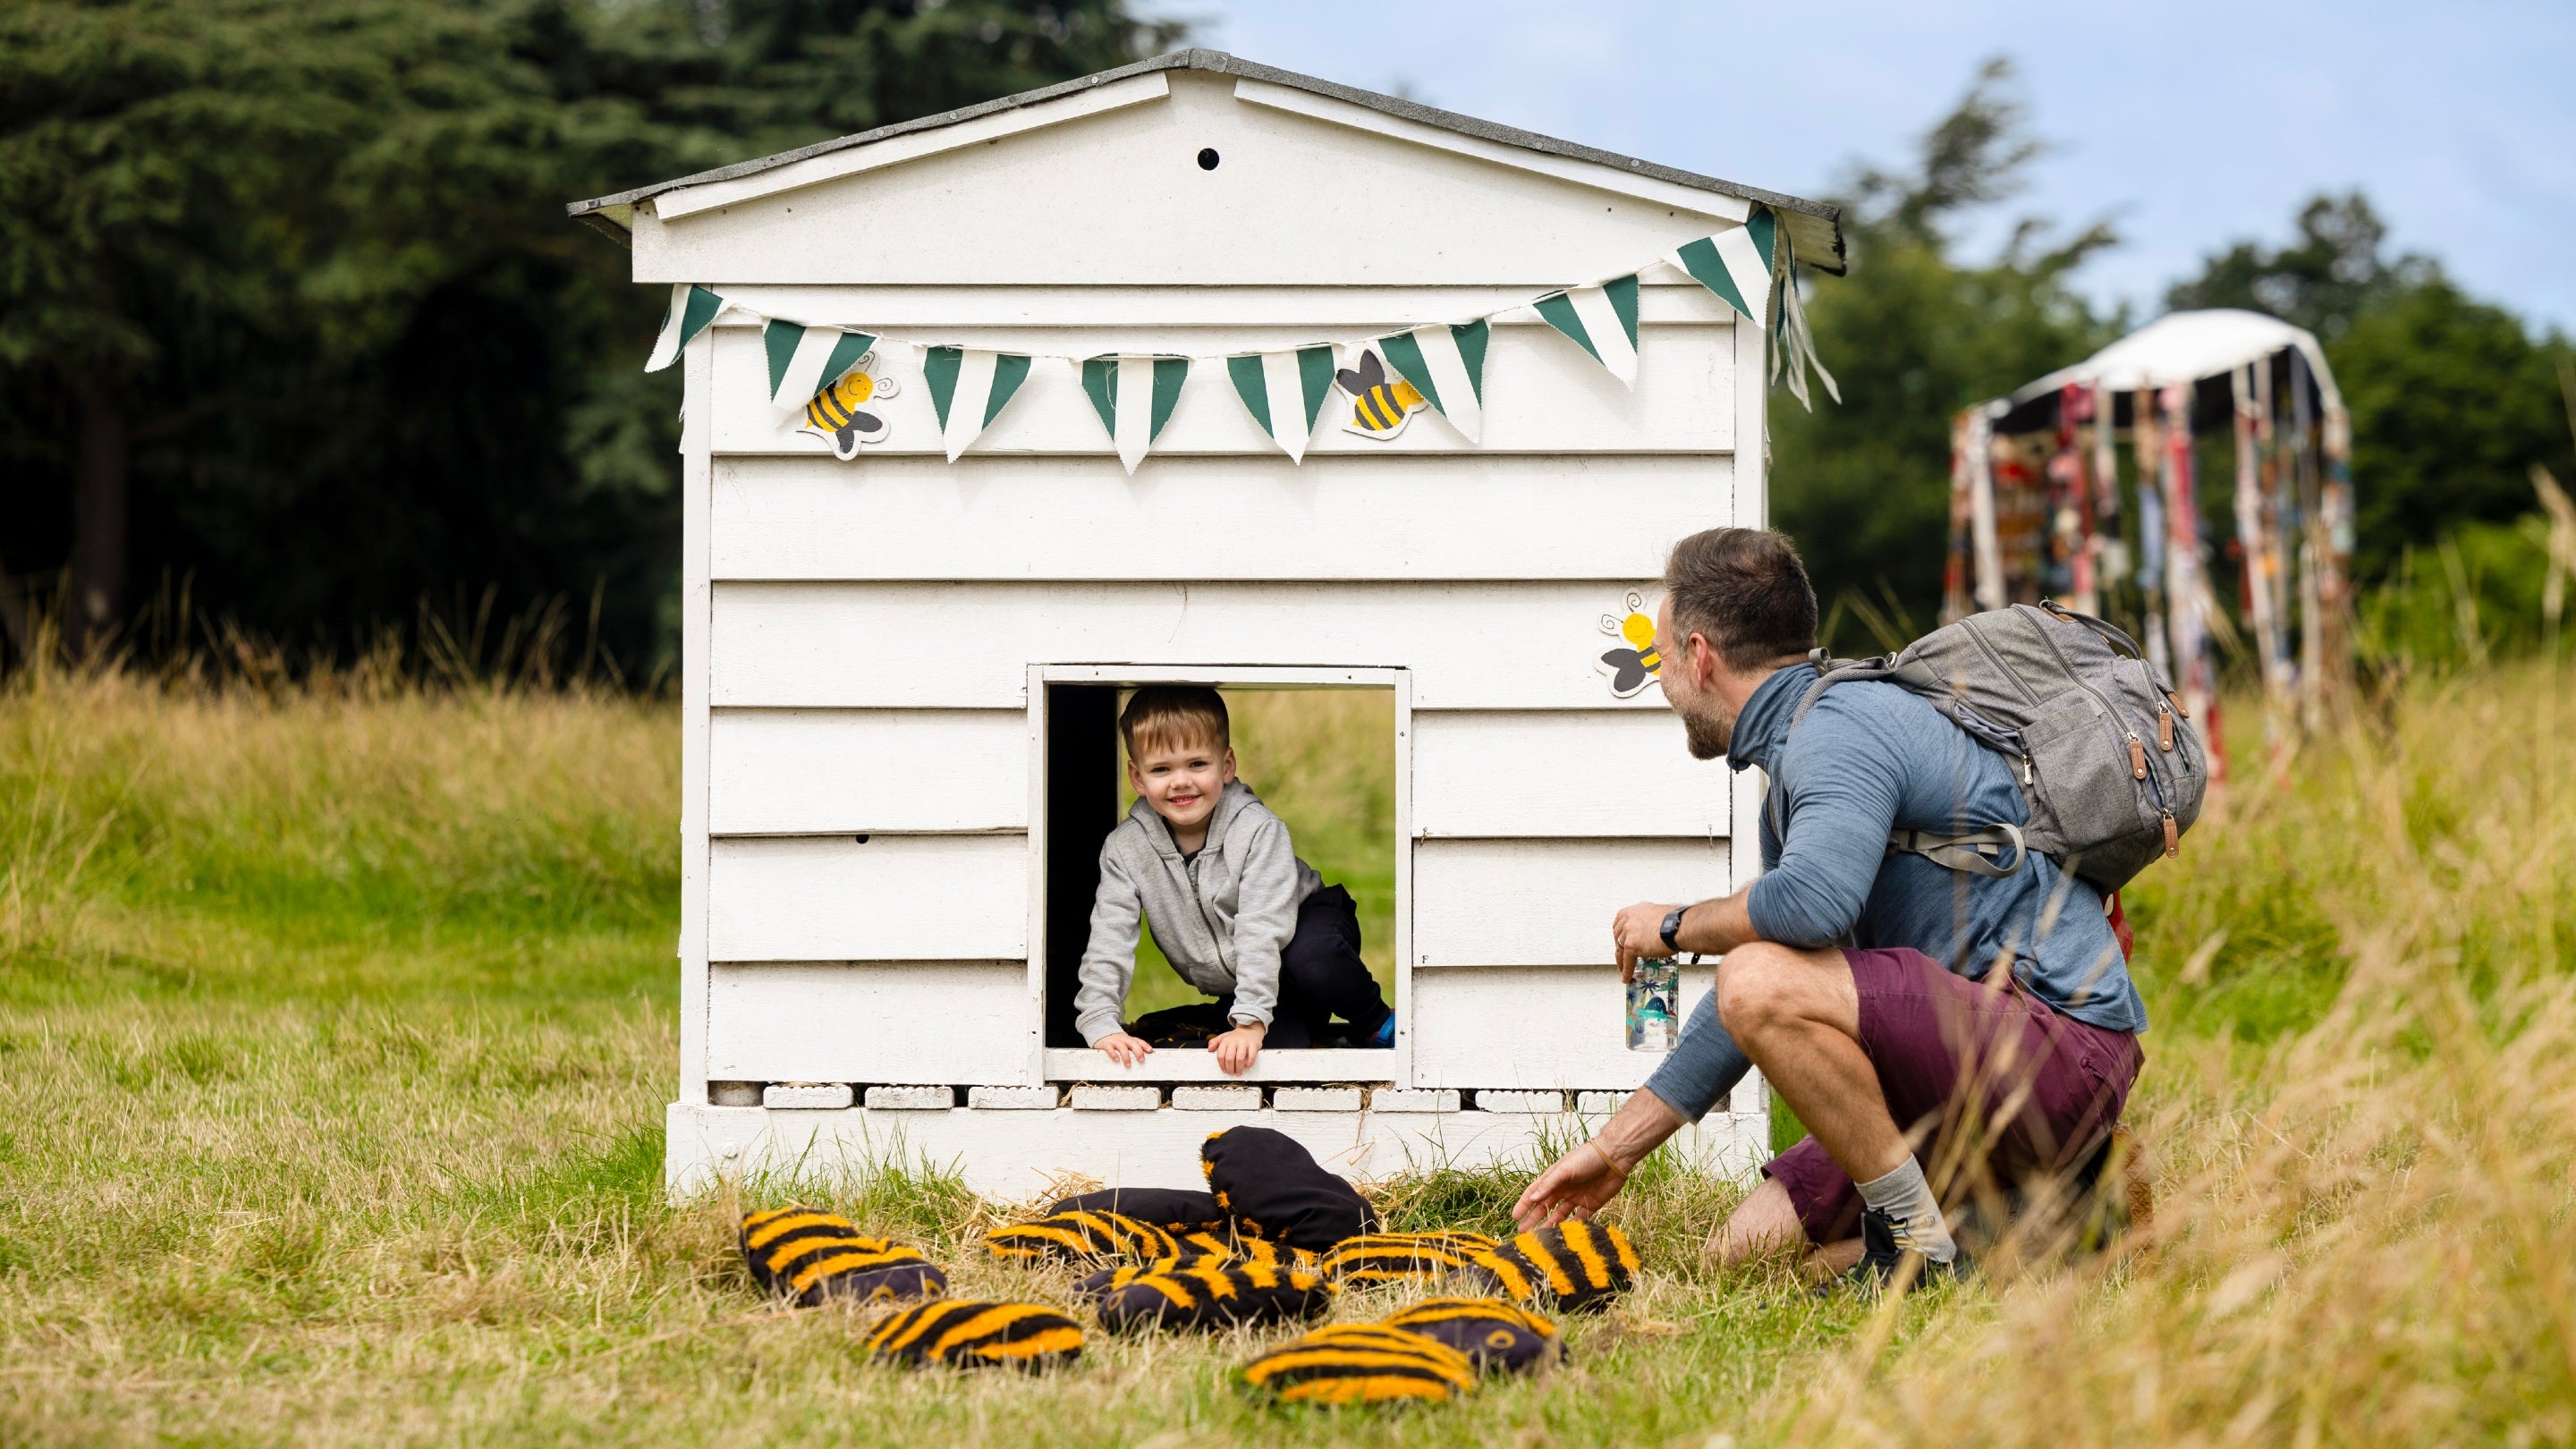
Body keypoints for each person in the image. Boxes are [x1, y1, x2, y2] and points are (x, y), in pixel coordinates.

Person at [1513, 529, 2145, 1287]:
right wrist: (1616, 1149)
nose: (1662, 680)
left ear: (1700, 655)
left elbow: (1804, 915)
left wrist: (1674, 926)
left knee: (1755, 978)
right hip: (1948, 1067)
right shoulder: (1805, 754)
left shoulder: (1838, 734)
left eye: (1664, 658)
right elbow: (1772, 971)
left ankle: (1916, 1246)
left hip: (2052, 1049)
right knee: (1740, 1255)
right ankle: (2055, 1221)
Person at [1077, 686, 1394, 1075]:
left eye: (1197, 764)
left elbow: (1262, 927)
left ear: (1227, 765)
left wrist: (1250, 1022)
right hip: (1258, 972)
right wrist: (1100, 1020)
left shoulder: (1256, 830)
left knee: (1314, 958)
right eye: (1161, 769)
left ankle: (1377, 1023)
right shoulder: (1125, 850)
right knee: (1271, 1057)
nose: (1180, 781)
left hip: (1306, 927)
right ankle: (1255, 1014)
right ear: (1137, 777)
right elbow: (1109, 937)